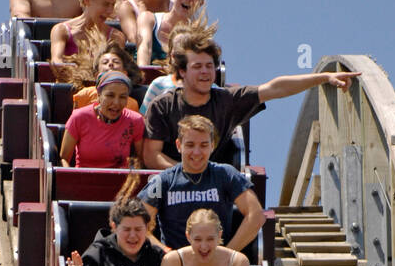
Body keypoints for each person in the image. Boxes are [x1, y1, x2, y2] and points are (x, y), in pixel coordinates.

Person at [142, 29, 361, 167]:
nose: (205, 72)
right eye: (197, 67)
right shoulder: (163, 106)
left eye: (209, 66)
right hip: (172, 183)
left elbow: (275, 88)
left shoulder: (226, 100)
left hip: (215, 187)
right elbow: (152, 156)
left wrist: (324, 77)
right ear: (182, 71)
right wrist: (187, 173)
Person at [137, 115, 266, 252]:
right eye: (190, 145)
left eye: (203, 145)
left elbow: (256, 215)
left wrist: (228, 253)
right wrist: (165, 253)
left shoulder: (226, 175)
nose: (197, 152)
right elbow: (138, 222)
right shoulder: (163, 181)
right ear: (179, 146)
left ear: (212, 146)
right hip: (176, 260)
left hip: (217, 259)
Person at [60, 72, 144, 168]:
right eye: (110, 95)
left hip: (120, 176)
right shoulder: (79, 117)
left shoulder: (135, 121)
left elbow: (141, 160)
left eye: (122, 97)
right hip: (84, 176)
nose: (116, 103)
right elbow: (63, 159)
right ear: (99, 95)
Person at [50, 0, 125, 71]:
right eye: (105, 4)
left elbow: (116, 69)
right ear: (87, 0)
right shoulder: (61, 30)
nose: (110, 11)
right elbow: (56, 62)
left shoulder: (116, 36)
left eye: (113, 4)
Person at [136, 0, 208, 68]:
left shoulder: (201, 35)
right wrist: (143, 72)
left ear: (201, 3)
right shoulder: (148, 18)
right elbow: (145, 47)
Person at [69, 42, 143, 112]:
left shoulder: (132, 104)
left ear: (125, 74)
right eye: (105, 62)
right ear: (97, 75)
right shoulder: (84, 95)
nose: (110, 64)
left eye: (116, 62)